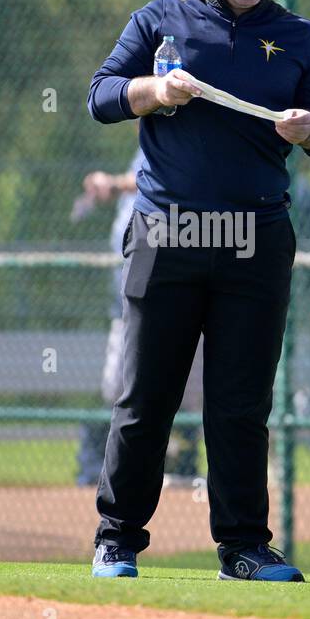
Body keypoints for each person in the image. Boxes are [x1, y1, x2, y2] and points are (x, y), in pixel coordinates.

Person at [86, 0, 310, 581]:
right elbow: (101, 94)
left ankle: (243, 547)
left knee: (241, 404)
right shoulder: (159, 19)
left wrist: (309, 127)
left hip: (255, 237)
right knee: (146, 398)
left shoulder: (297, 35)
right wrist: (155, 91)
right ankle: (116, 538)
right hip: (165, 232)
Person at [73, 143, 202, 487]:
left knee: (184, 392)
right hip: (129, 297)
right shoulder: (143, 145)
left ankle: (182, 468)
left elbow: (154, 178)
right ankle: (98, 473)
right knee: (119, 386)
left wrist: (112, 184)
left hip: (173, 289)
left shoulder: (176, 140)